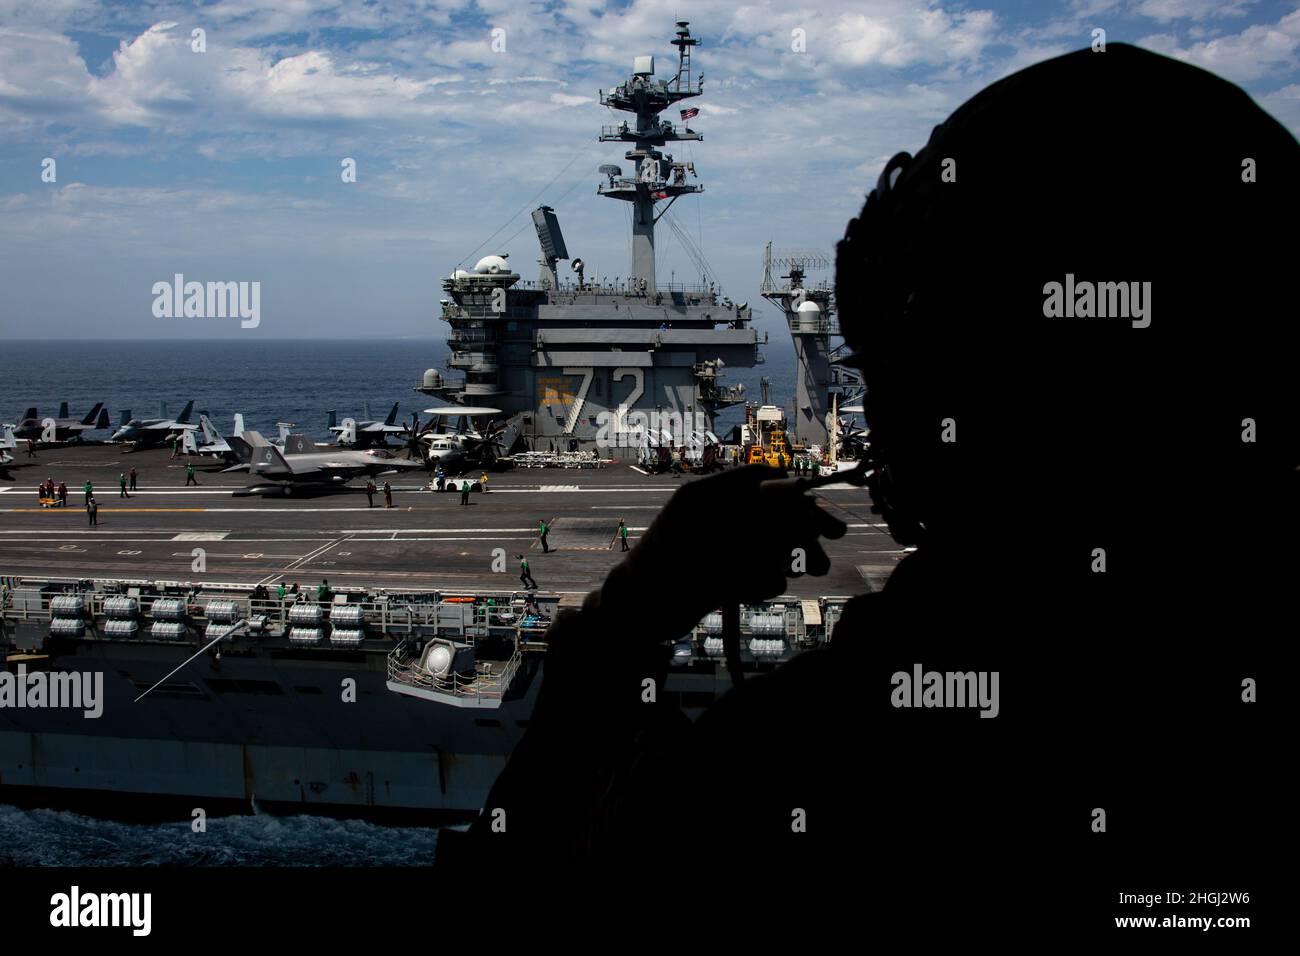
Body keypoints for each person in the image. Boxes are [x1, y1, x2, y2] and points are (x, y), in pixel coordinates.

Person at [434, 43, 1298, 930]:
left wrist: (628, 625)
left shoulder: (824, 755)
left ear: (946, 397)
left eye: (891, 377)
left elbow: (506, 896)